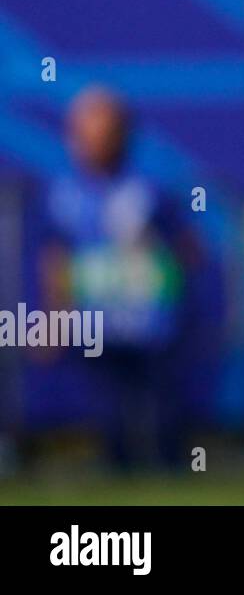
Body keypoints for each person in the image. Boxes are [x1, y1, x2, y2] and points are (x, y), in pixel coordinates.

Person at [39, 86, 196, 468]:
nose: (93, 143)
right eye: (84, 133)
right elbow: (55, 258)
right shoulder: (63, 192)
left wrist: (162, 281)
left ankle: (169, 473)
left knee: (160, 413)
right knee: (108, 416)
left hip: (150, 325)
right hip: (96, 323)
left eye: (103, 133)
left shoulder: (149, 188)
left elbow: (186, 249)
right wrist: (53, 319)